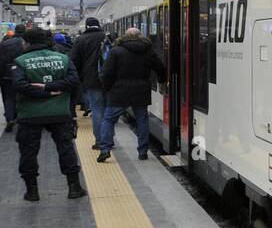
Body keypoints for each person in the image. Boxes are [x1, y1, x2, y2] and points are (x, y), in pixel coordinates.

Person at [9, 25, 86, 201]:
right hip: (59, 112)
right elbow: (74, 80)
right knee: (65, 148)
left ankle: (32, 191)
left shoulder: (20, 61)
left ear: (26, 42)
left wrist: (43, 89)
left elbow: (19, 85)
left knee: (29, 151)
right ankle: (74, 187)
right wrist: (52, 90)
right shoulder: (63, 58)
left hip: (29, 114)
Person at [99, 26, 164, 162]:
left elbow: (106, 73)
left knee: (108, 119)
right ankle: (143, 152)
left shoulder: (115, 51)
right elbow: (161, 68)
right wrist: (163, 80)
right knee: (142, 121)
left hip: (119, 92)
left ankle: (105, 149)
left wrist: (108, 88)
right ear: (141, 36)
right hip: (141, 91)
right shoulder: (148, 51)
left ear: (125, 36)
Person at [70, 17, 110, 149]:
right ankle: (109, 139)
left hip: (91, 80)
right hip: (109, 79)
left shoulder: (80, 40)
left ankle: (100, 141)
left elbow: (74, 61)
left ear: (86, 26)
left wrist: (80, 79)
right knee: (108, 110)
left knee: (97, 110)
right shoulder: (107, 37)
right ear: (99, 25)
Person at [0, 22, 28, 133]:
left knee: (8, 98)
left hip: (7, 75)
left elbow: (1, 61)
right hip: (24, 74)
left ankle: (10, 118)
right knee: (24, 96)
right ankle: (21, 118)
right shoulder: (27, 43)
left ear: (15, 31)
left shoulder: (5, 44)